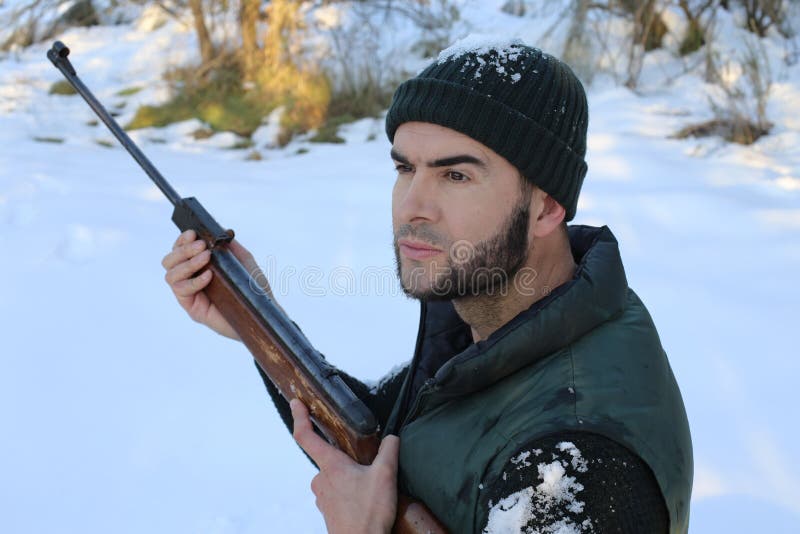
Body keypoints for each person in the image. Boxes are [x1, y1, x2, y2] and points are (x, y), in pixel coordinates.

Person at [161, 37, 692, 534]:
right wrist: (256, 319)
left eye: (455, 175)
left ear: (547, 206)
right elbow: (375, 440)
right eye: (404, 168)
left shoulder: (577, 470)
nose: (412, 206)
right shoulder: (494, 312)